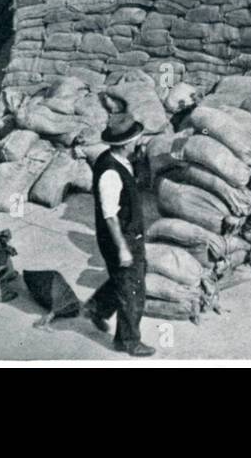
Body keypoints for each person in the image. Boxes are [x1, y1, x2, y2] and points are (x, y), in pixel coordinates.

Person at [83, 115, 154, 357]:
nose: (140, 142)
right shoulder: (110, 173)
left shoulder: (121, 159)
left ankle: (98, 306)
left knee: (129, 278)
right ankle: (128, 341)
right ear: (125, 144)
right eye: (136, 139)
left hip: (129, 233)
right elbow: (110, 215)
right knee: (133, 288)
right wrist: (122, 247)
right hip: (119, 237)